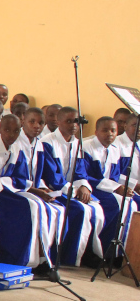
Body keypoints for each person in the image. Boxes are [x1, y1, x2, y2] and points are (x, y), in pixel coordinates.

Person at [0, 108, 65, 272]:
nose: (11, 134)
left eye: (15, 131)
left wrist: (39, 188)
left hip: (11, 188)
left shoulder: (18, 148)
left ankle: (43, 258)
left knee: (54, 209)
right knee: (31, 207)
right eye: (7, 130)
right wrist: (32, 189)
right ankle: (20, 258)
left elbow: (20, 176)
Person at [42, 106, 104, 267]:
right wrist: (74, 191)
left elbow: (80, 170)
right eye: (68, 121)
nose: (73, 125)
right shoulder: (48, 142)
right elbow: (52, 176)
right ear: (59, 122)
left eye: (76, 121)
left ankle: (87, 253)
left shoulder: (77, 143)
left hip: (73, 187)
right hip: (55, 188)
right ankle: (68, 255)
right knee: (81, 210)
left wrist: (83, 186)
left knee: (97, 209)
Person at [83, 117, 138, 258]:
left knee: (129, 203)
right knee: (117, 203)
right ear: (96, 132)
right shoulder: (87, 147)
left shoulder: (113, 150)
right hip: (91, 187)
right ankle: (97, 250)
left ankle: (116, 252)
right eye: (105, 130)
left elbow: (115, 176)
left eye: (113, 131)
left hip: (107, 189)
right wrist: (115, 188)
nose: (110, 134)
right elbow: (85, 176)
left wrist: (121, 187)